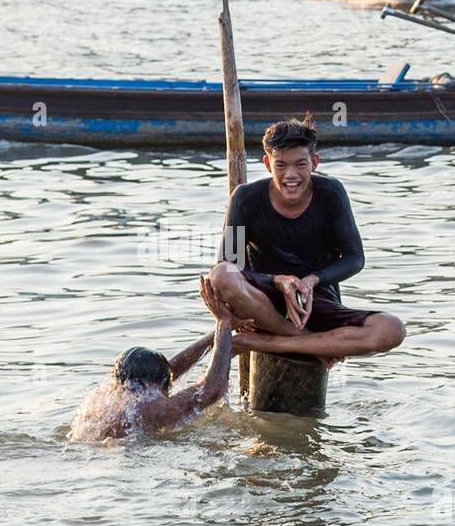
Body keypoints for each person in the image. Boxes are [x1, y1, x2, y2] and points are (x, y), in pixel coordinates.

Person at [208, 117, 405, 361]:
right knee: (222, 274)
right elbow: (228, 265)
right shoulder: (246, 198)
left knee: (392, 329)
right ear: (268, 164)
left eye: (300, 165)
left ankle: (271, 342)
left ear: (314, 162)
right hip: (261, 301)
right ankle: (305, 342)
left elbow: (354, 258)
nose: (291, 175)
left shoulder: (331, 193)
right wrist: (279, 281)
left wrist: (312, 281)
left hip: (315, 301)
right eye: (281, 165)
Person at [69, 280, 246, 440]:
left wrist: (217, 334)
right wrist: (224, 323)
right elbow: (213, 390)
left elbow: (168, 371)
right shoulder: (149, 405)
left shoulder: (108, 400)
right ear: (155, 384)